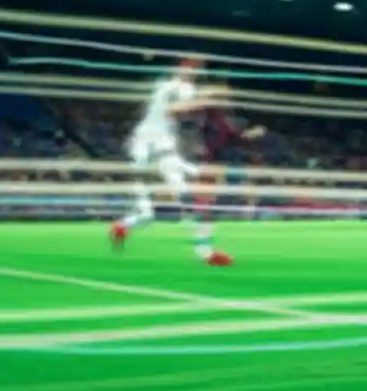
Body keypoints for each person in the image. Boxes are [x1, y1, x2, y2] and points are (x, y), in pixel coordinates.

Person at [110, 56, 259, 266]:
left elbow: (188, 102)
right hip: (146, 145)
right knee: (158, 208)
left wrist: (213, 94)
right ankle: (123, 226)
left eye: (195, 69)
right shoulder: (170, 87)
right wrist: (212, 96)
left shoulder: (176, 87)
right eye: (189, 67)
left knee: (167, 205)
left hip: (162, 148)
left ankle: (204, 252)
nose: (191, 71)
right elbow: (173, 109)